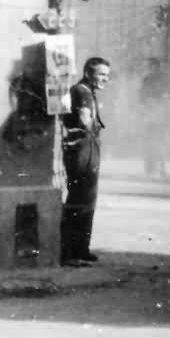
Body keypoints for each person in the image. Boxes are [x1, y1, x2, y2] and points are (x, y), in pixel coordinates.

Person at [61, 56, 110, 266]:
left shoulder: (87, 91)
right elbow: (84, 119)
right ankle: (72, 251)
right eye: (101, 74)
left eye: (107, 75)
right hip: (84, 148)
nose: (105, 79)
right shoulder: (82, 91)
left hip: (86, 148)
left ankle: (80, 249)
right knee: (81, 198)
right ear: (88, 73)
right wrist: (89, 129)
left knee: (85, 199)